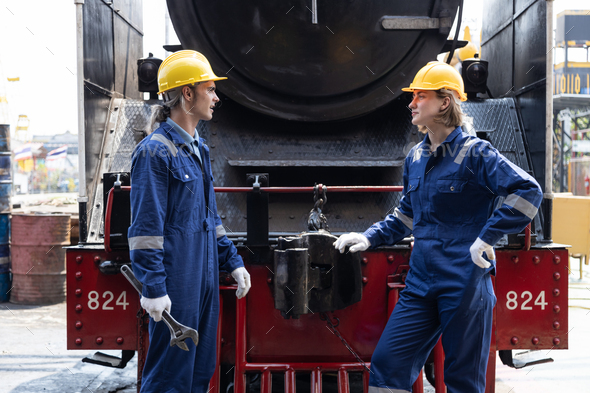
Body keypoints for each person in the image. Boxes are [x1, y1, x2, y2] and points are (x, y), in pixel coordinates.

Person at [334, 61, 542, 393]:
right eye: (412, 97)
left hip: (465, 283)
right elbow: (405, 217)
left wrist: (487, 237)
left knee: (462, 381)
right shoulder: (415, 158)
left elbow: (529, 192)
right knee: (387, 367)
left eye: (420, 96)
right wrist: (369, 236)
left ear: (445, 102)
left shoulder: (476, 154)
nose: (411, 103)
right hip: (420, 283)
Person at [128, 50, 251, 393]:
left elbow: (210, 218)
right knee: (170, 377)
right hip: (177, 283)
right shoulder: (155, 152)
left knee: (199, 373)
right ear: (187, 93)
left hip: (204, 278)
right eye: (210, 89)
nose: (215, 97)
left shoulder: (198, 148)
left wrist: (233, 260)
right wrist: (154, 288)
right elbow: (144, 232)